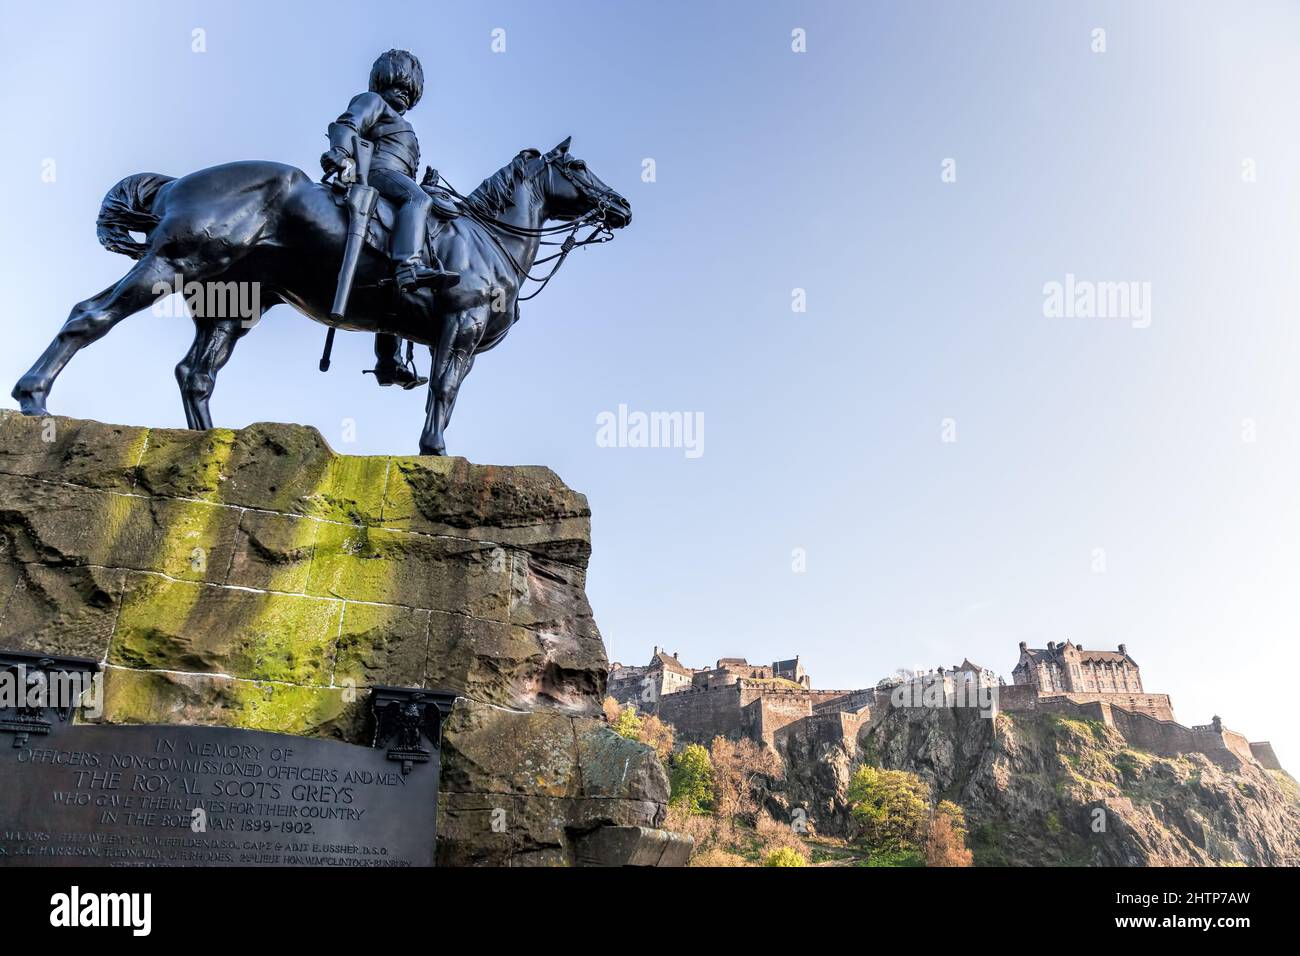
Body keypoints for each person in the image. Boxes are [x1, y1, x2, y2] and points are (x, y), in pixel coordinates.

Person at [321, 50, 456, 387]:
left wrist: (425, 182)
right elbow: (347, 123)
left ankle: (388, 360)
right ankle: (408, 265)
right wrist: (339, 152)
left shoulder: (405, 126)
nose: (404, 95)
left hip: (397, 183)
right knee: (417, 199)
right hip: (379, 175)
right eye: (399, 85)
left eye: (410, 92)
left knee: (423, 205)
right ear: (382, 81)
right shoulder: (373, 102)